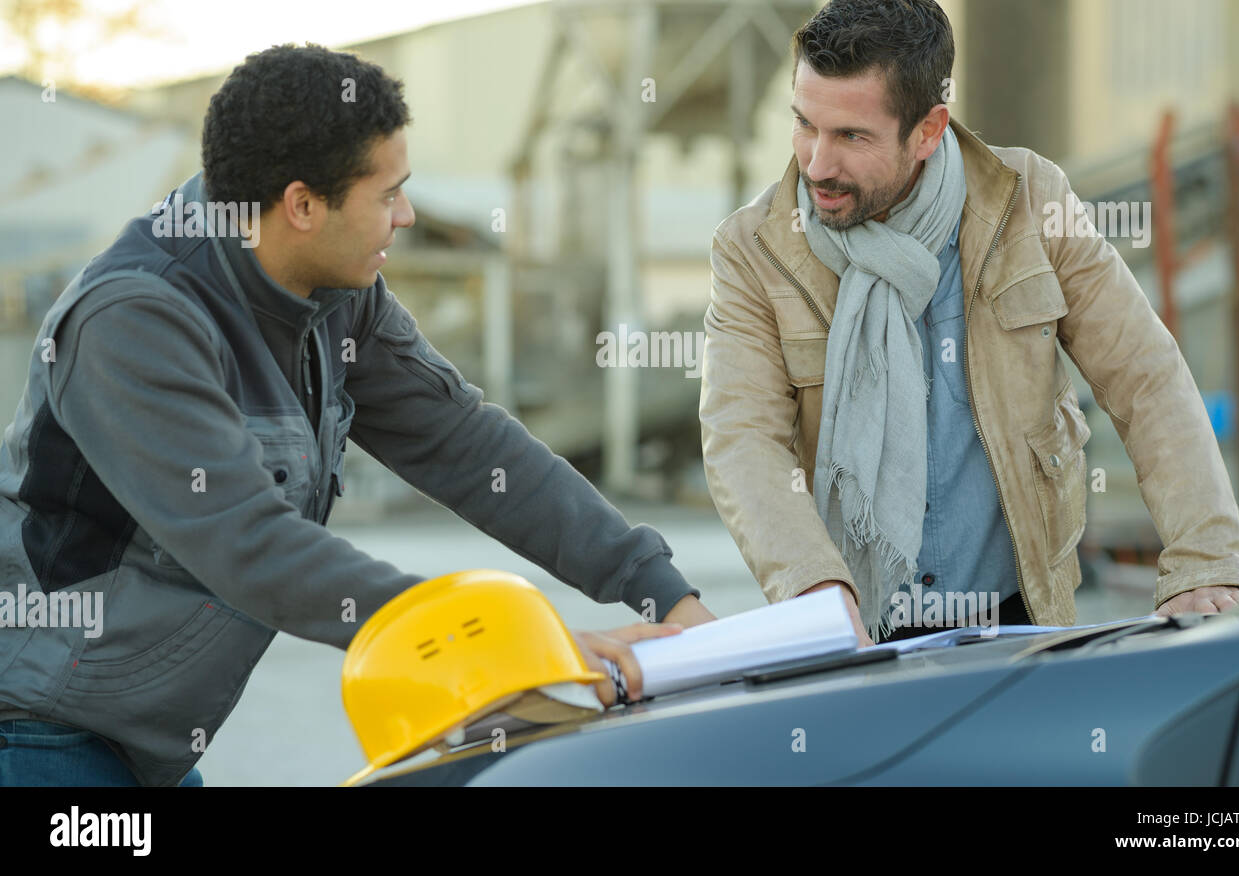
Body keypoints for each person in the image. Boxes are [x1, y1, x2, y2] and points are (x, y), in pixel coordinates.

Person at [0, 43, 714, 787]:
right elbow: (249, 545)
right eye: (388, 195)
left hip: (145, 748)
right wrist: (517, 645)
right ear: (303, 205)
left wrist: (662, 589)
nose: (406, 216)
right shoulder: (134, 322)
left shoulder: (335, 295)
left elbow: (470, 448)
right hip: (42, 737)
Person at [698, 0, 1239, 648]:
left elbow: (1144, 373)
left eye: (850, 134)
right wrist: (812, 588)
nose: (817, 162)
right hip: (848, 643)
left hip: (1019, 632)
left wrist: (1206, 559)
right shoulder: (752, 249)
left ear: (928, 131)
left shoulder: (1032, 203)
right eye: (804, 123)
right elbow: (742, 437)